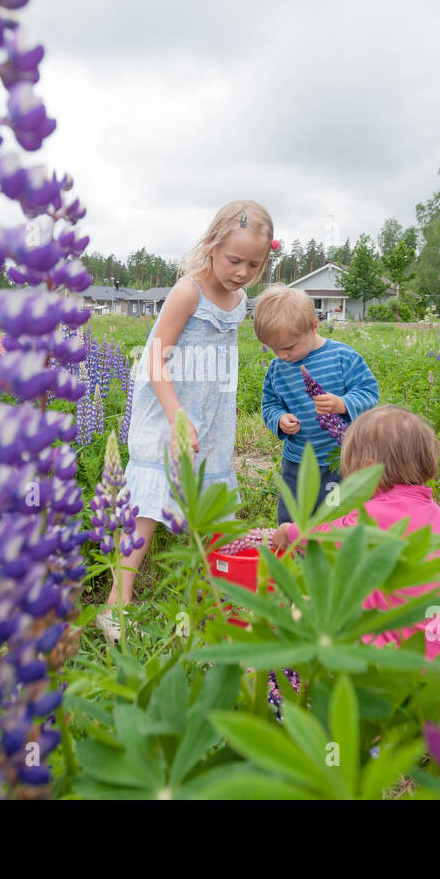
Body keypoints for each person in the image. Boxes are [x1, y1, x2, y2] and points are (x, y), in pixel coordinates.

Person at [100, 200, 276, 641]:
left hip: (212, 409)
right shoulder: (188, 291)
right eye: (234, 260)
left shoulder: (239, 299)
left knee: (212, 501)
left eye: (254, 265)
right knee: (147, 506)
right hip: (169, 406)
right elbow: (156, 360)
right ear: (213, 246)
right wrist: (177, 414)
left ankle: (222, 596)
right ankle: (114, 606)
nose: (241, 272)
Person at [271, 404, 440, 660]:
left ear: (368, 471)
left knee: (317, 614)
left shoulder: (376, 515)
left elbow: (325, 538)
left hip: (411, 655)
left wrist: (289, 532)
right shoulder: (431, 509)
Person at [254, 285, 378, 524]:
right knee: (293, 518)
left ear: (313, 327)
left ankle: (333, 556)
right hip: (297, 460)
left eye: (289, 347)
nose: (281, 356)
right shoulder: (277, 368)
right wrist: (279, 419)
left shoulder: (343, 357)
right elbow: (269, 404)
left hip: (340, 458)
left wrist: (343, 404)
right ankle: (295, 557)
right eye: (273, 349)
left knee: (338, 518)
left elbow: (369, 393)